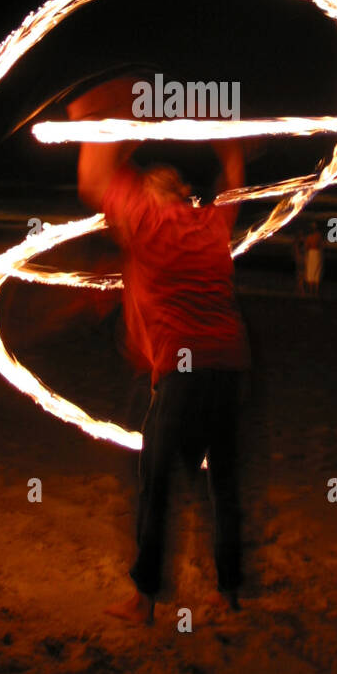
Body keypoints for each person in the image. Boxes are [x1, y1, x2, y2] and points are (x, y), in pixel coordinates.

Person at [68, 78, 251, 625]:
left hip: (182, 369)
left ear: (150, 196)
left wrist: (109, 115)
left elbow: (93, 179)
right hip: (232, 365)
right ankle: (229, 591)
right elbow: (236, 180)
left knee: (156, 481)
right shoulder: (212, 223)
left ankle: (144, 599)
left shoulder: (144, 221)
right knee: (224, 481)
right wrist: (227, 136)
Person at [303, 222, 324, 296]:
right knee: (316, 270)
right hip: (316, 252)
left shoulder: (309, 237)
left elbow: (306, 246)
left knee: (310, 270)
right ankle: (315, 291)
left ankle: (311, 290)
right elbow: (322, 245)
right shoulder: (319, 236)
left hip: (311, 252)